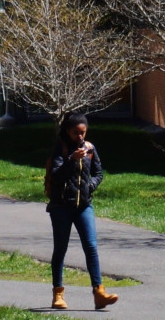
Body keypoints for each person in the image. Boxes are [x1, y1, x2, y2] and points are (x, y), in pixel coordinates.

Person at [46, 113, 118, 311]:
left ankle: (99, 293)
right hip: (61, 206)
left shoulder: (90, 148)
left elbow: (98, 173)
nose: (80, 136)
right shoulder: (61, 148)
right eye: (76, 132)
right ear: (68, 131)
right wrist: (70, 160)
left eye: (83, 132)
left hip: (83, 206)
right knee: (60, 249)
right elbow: (56, 176)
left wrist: (89, 186)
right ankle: (58, 294)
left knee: (91, 247)